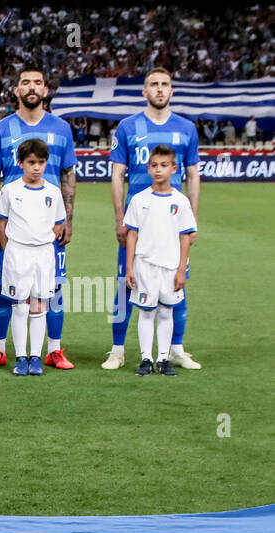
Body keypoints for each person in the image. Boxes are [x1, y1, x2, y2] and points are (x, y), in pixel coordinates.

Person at [0, 67, 76, 371]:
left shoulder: (61, 129)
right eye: (25, 82)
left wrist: (68, 220)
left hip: (48, 227)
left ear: (45, 90)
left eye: (37, 82)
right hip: (15, 228)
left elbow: (68, 174)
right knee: (5, 288)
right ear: (16, 90)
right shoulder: (1, 129)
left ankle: (54, 350)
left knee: (52, 289)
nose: (31, 87)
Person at [106, 69, 201, 371]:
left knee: (177, 283)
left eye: (165, 85)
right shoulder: (127, 126)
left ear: (171, 91)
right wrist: (120, 217)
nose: (160, 90)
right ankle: (117, 350)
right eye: (154, 85)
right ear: (144, 91)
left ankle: (175, 349)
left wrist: (192, 219)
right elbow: (117, 173)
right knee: (125, 283)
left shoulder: (186, 128)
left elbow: (193, 174)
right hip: (138, 220)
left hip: (172, 223)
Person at [0, 139, 67, 377]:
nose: (36, 167)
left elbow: (59, 225)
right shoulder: (10, 190)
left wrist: (42, 240)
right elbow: (1, 223)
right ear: (21, 163)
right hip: (17, 253)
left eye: (41, 162)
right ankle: (21, 358)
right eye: (31, 162)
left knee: (39, 306)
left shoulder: (53, 192)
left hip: (44, 254)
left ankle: (35, 357)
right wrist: (11, 249)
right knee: (19, 306)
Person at [124, 145, 197, 377]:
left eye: (164, 165)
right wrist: (129, 267)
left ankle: (163, 358)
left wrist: (181, 269)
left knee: (166, 312)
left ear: (174, 169)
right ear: (148, 168)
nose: (158, 170)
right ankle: (146, 359)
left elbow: (185, 237)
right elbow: (132, 234)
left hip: (170, 267)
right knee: (146, 313)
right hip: (144, 266)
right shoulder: (139, 199)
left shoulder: (181, 201)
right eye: (154, 165)